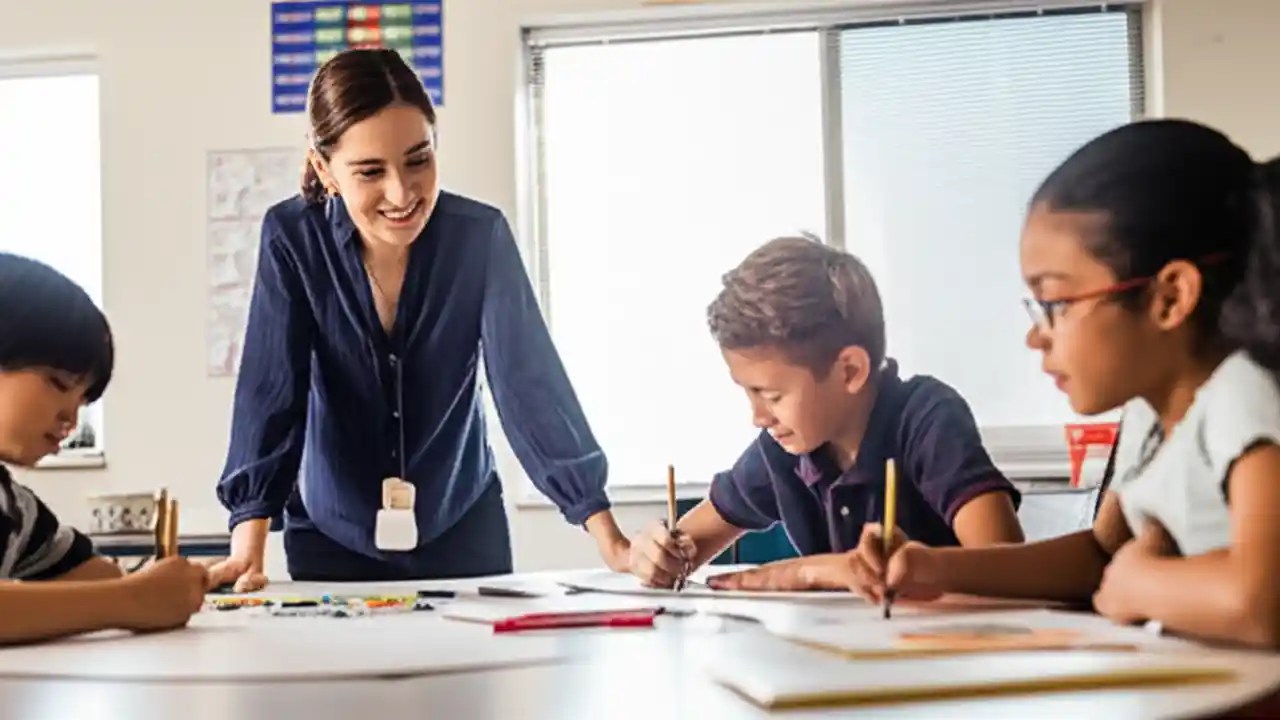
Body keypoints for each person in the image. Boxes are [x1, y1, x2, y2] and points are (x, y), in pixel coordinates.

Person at [207, 48, 628, 590]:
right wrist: (248, 550)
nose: (402, 193)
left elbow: (529, 384)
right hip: (332, 534)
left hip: (460, 525)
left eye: (418, 160)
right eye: (370, 171)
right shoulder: (293, 238)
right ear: (324, 169)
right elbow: (270, 392)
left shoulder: (480, 237)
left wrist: (610, 538)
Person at [853, 119, 1280, 649]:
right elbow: (1100, 556)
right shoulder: (1148, 416)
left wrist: (1140, 584)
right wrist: (937, 567)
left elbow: (1261, 602)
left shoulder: (1245, 395)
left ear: (1169, 298)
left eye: (1055, 302)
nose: (1036, 336)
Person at [626, 236, 1024, 591]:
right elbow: (686, 546)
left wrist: (809, 572)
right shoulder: (786, 447)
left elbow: (1008, 567)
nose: (758, 417)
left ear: (849, 371)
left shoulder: (926, 420)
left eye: (772, 395)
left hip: (948, 648)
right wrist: (658, 554)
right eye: (748, 393)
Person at [0, 253, 207, 643]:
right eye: (59, 383)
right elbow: (115, 593)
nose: (71, 419)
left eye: (82, 401)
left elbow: (95, 576)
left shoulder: (15, 508)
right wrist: (131, 600)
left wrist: (168, 584)